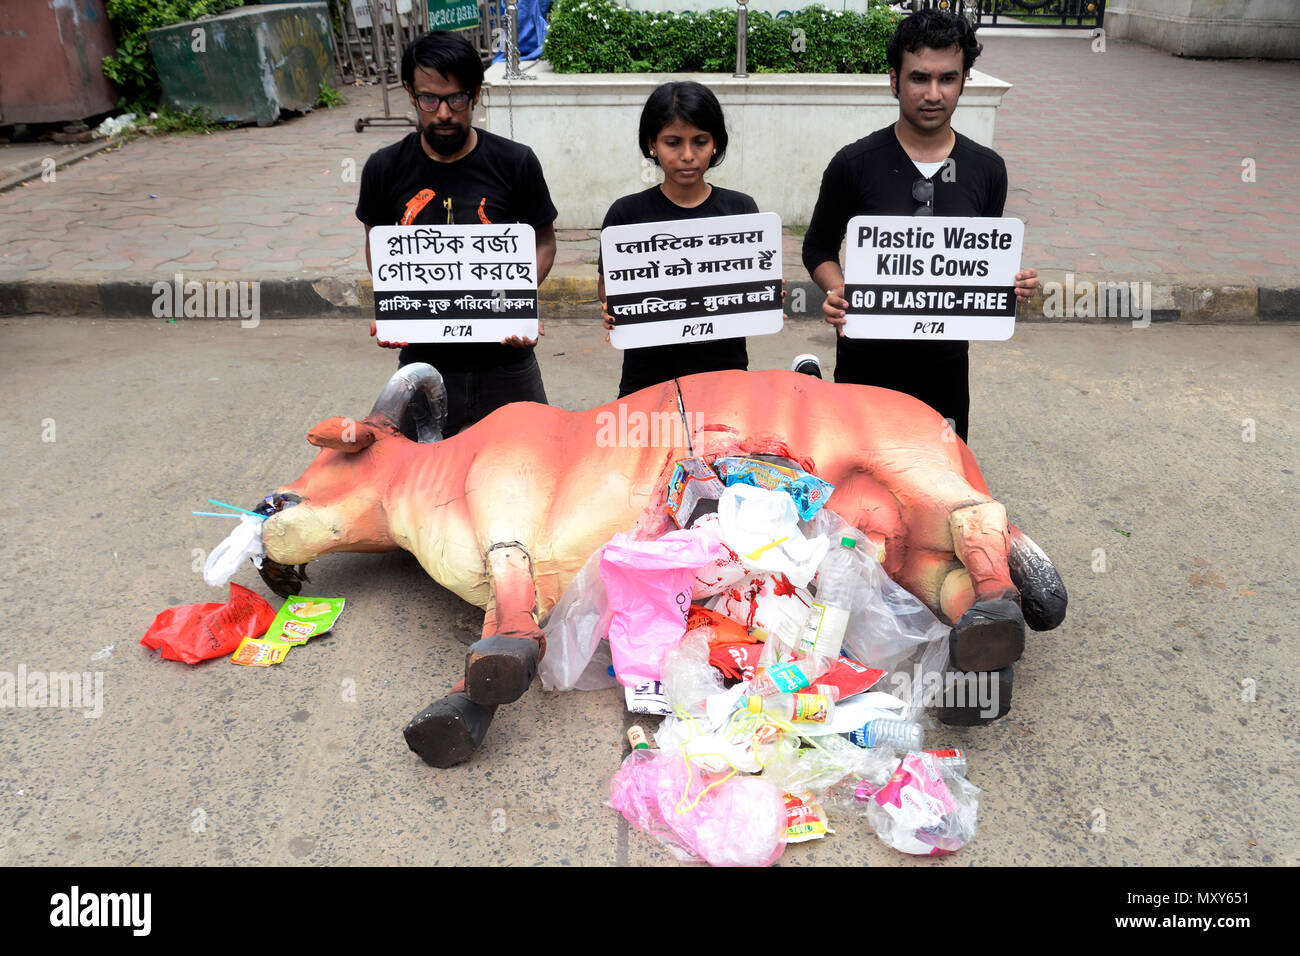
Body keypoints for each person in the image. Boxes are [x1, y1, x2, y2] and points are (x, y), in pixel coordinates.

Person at [801, 8, 1038, 443]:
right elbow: (817, 247)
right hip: (865, 359)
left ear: (964, 80)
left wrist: (1010, 286)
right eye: (918, 78)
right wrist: (839, 290)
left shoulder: (987, 170)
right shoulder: (854, 164)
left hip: (945, 365)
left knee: (938, 480)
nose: (934, 94)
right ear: (894, 80)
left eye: (948, 78)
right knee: (864, 480)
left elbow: (979, 261)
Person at [356, 30, 558, 436]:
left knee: (523, 472)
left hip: (507, 362)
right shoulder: (384, 168)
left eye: (456, 98)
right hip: (422, 360)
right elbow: (379, 245)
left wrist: (518, 298)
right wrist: (393, 303)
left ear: (476, 95)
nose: (443, 113)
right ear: (412, 97)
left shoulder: (515, 163)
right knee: (422, 483)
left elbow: (544, 242)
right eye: (429, 99)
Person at [599, 81, 762, 398]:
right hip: (646, 382)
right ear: (652, 145)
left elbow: (752, 290)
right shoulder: (625, 215)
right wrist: (612, 311)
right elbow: (609, 292)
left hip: (725, 382)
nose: (687, 155)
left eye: (700, 141)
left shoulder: (741, 210)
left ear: (715, 143)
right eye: (673, 142)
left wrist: (762, 296)